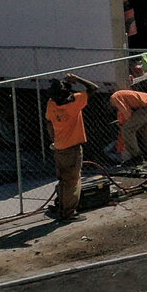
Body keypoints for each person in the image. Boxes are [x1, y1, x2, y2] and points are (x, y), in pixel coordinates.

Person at [44, 76, 89, 222]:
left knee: (63, 179)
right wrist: (77, 78)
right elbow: (94, 89)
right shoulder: (74, 103)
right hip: (72, 149)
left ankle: (61, 207)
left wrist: (54, 140)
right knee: (73, 181)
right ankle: (68, 213)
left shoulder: (51, 104)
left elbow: (49, 123)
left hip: (59, 148)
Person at [111, 84, 147, 163]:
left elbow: (127, 113)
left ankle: (136, 157)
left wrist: (122, 124)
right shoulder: (120, 94)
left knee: (127, 130)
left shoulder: (114, 98)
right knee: (146, 131)